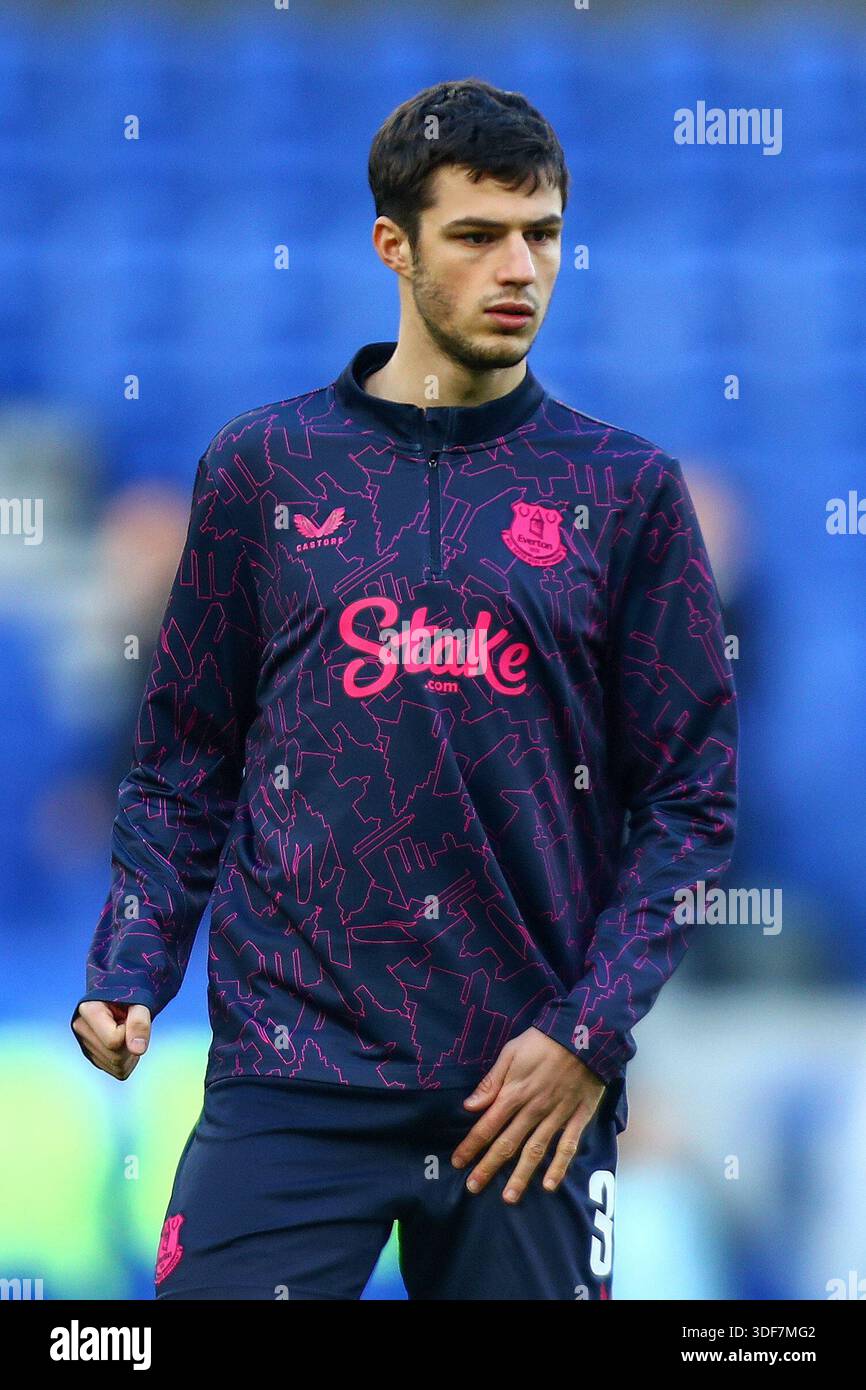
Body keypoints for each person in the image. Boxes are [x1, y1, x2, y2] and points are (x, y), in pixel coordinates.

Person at [71, 78, 738, 1301]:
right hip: (293, 1066)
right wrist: (131, 962)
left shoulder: (625, 492)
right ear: (393, 244)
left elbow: (689, 804)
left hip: (520, 1092)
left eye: (540, 234)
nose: (517, 268)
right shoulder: (262, 468)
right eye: (476, 235)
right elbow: (183, 759)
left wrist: (588, 1035)